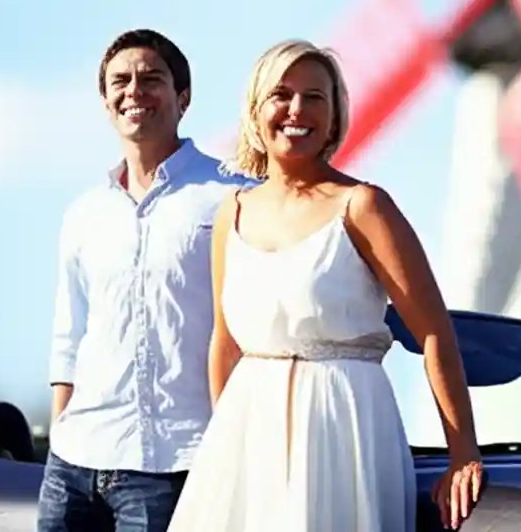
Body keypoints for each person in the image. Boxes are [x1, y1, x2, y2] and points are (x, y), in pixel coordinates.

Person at [167, 40, 484, 531]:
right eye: (282, 94)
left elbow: (434, 333)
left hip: (344, 432)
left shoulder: (364, 207)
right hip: (248, 441)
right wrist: (224, 447)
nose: (297, 110)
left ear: (335, 116)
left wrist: (462, 452)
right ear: (256, 111)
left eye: (315, 97)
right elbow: (225, 345)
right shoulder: (231, 213)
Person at [37, 29, 251, 532]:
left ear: (183, 98)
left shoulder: (232, 195)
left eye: (151, 79)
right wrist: (59, 432)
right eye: (120, 81)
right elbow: (69, 335)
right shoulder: (84, 213)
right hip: (73, 464)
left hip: (176, 463)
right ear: (106, 101)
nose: (134, 90)